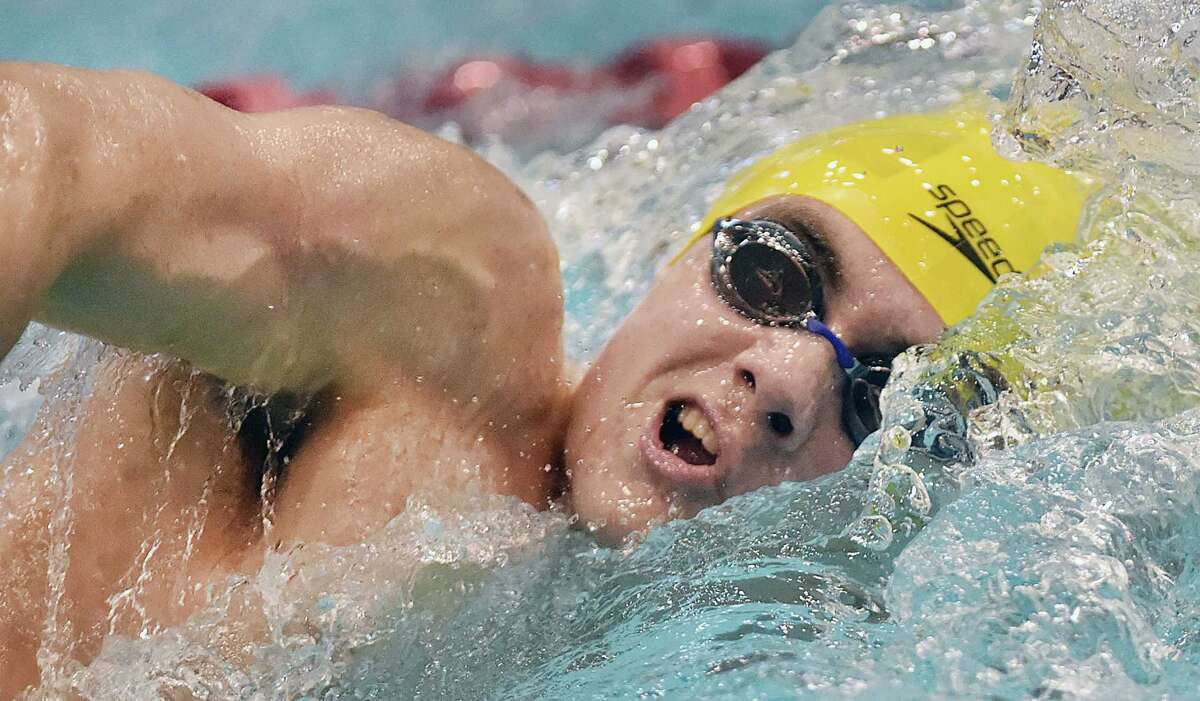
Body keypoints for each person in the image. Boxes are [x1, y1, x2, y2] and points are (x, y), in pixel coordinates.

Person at [0, 63, 1091, 694]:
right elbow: (42, 146)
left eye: (883, 399)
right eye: (771, 271)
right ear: (684, 245)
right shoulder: (447, 298)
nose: (787, 374)